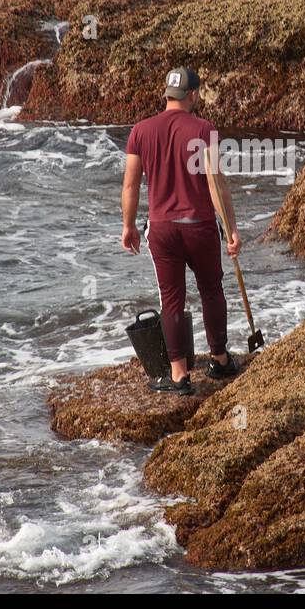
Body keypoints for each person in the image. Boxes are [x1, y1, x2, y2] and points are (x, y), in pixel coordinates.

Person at [121, 67, 241, 394]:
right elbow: (217, 184)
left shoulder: (140, 131)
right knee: (211, 290)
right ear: (194, 94)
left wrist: (128, 226)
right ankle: (219, 359)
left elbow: (130, 185)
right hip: (198, 226)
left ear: (166, 94)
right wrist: (231, 229)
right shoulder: (204, 129)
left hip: (161, 229)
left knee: (171, 299)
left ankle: (179, 376)